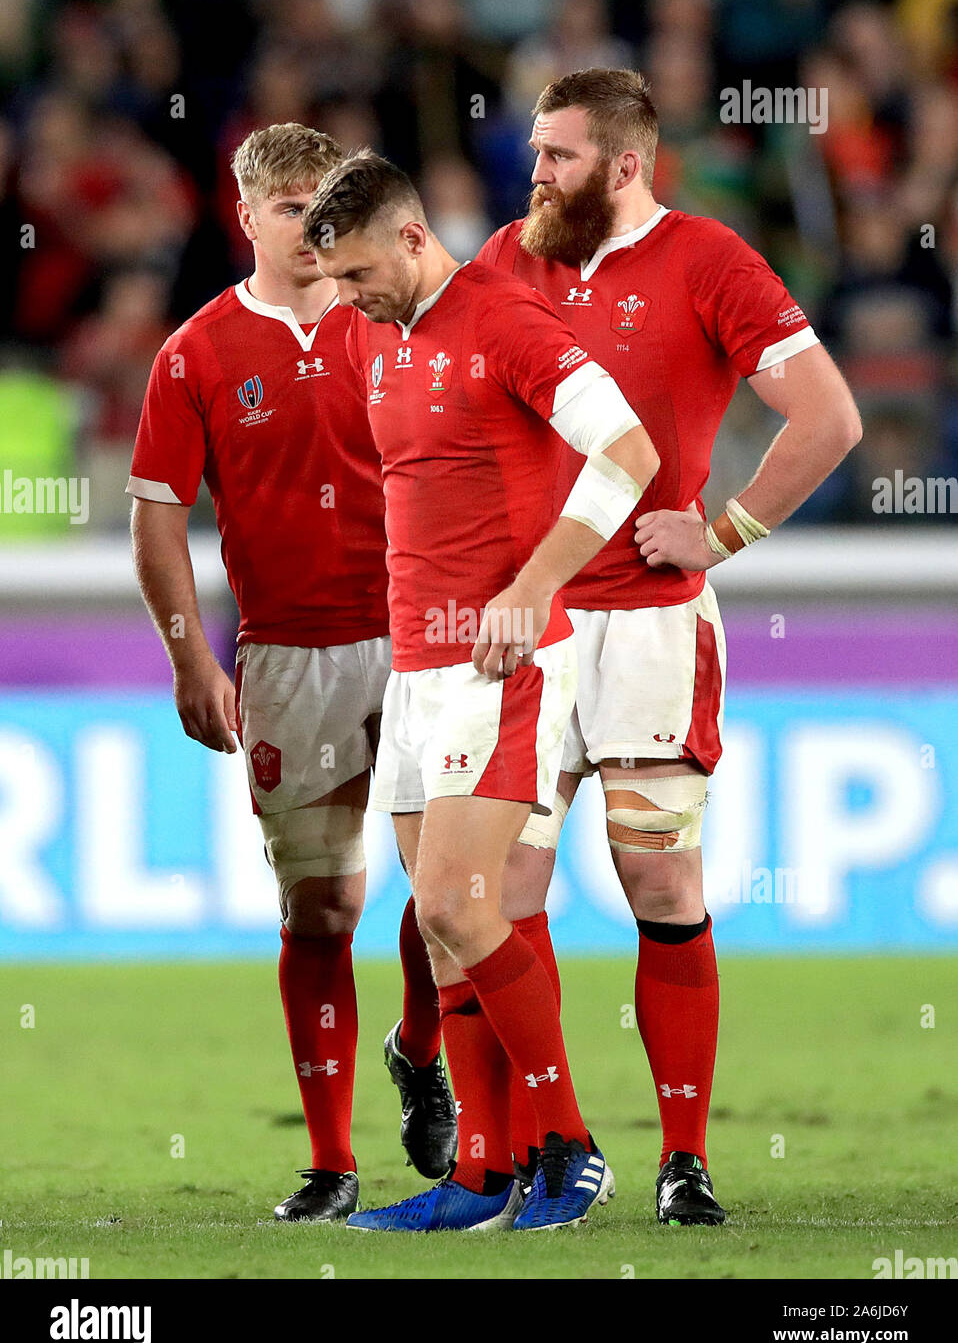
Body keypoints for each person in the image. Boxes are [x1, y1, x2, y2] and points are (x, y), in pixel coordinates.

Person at [476, 68, 862, 1225]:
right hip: (526, 620)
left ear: (626, 164)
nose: (536, 173)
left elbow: (829, 415)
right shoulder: (506, 262)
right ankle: (551, 1142)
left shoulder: (707, 261)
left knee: (656, 877)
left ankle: (683, 1157)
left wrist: (723, 531)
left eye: (558, 155)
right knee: (502, 886)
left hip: (649, 619)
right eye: (534, 152)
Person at [301, 150, 660, 1232]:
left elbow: (628, 451)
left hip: (500, 665)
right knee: (443, 925)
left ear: (415, 238)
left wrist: (534, 584)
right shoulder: (371, 333)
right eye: (334, 280)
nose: (346, 299)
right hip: (415, 667)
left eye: (359, 273)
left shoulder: (504, 320)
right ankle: (482, 1174)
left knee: (459, 905)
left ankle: (571, 1146)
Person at [127, 123, 456, 1225]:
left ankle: (420, 1047)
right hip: (286, 654)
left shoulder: (399, 321)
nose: (312, 227)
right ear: (247, 218)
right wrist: (190, 656)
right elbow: (158, 519)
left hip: (421, 641)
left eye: (327, 206)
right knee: (323, 912)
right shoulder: (198, 353)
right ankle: (330, 1161)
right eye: (289, 208)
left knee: (450, 893)